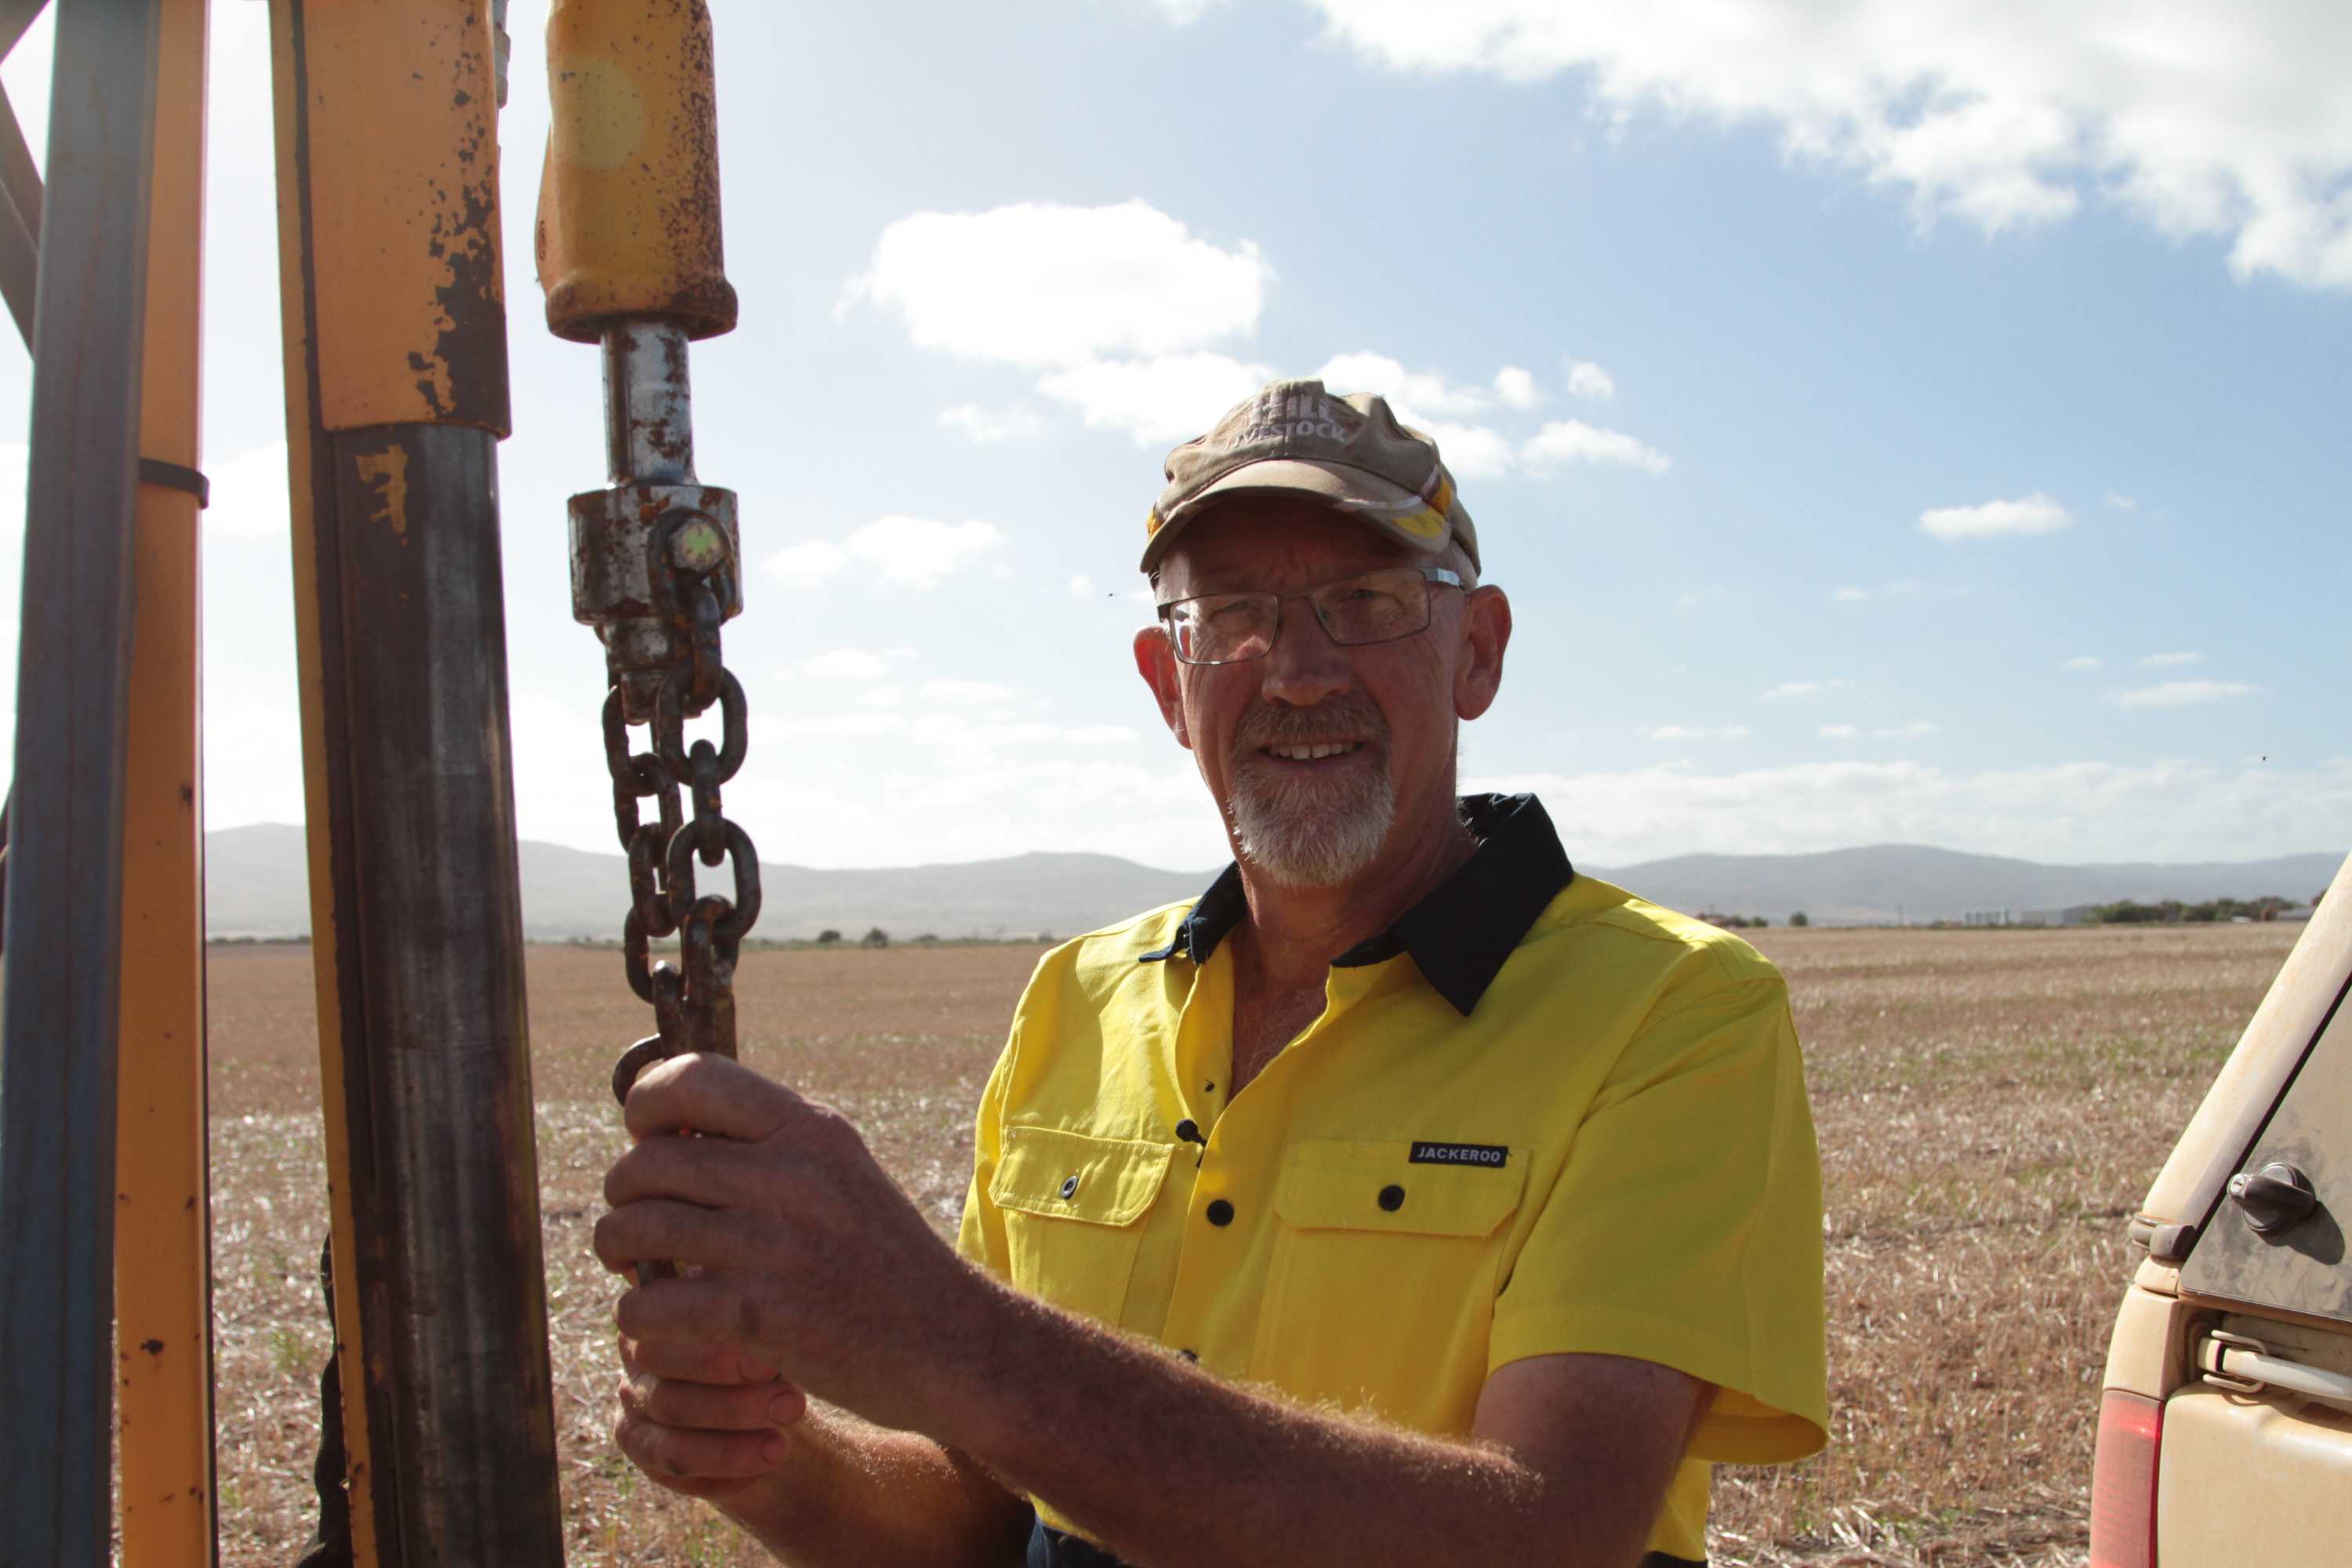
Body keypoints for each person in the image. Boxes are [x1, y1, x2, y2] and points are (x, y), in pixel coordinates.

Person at [594, 379, 1828, 1567]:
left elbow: (1554, 1538)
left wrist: (947, 1339)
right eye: (1232, 614)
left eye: (1368, 600)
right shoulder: (1079, 998)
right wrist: (771, 1462)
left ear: (1479, 652)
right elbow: (990, 1514)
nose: (1297, 668)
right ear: (1166, 683)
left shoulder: (1673, 1012)